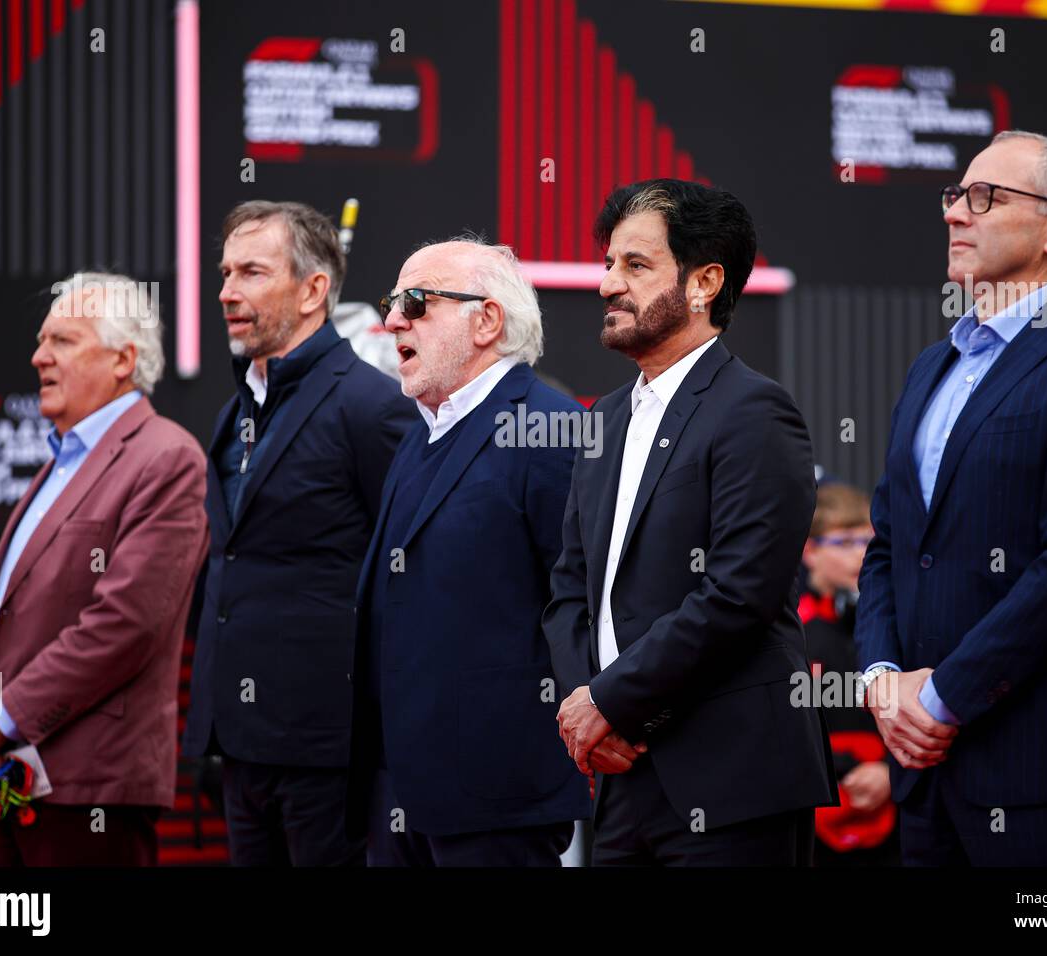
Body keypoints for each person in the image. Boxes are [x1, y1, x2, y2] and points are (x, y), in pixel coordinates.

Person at [854, 131, 1047, 866]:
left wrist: (939, 700)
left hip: (1043, 773)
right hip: (924, 775)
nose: (956, 213)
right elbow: (891, 546)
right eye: (955, 195)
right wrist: (882, 682)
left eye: (985, 197)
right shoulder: (933, 365)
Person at [544, 179, 837, 866]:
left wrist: (609, 699)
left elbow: (739, 593)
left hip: (733, 778)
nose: (607, 284)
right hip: (619, 776)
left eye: (635, 265)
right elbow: (567, 592)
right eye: (608, 264)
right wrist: (584, 706)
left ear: (705, 281)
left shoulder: (756, 413)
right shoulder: (604, 420)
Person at [0, 272, 208, 866]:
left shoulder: (165, 457)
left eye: (62, 341)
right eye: (42, 340)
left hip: (89, 793)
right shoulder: (58, 463)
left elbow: (125, 624)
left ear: (123, 359)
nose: (38, 356)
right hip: (3, 782)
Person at [181, 201, 415, 866]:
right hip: (239, 746)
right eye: (225, 272)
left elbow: (407, 570)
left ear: (315, 289)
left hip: (329, 749)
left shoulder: (371, 406)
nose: (227, 290)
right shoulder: (235, 410)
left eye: (252, 272)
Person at [349, 238, 590, 866]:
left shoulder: (549, 429)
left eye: (417, 302)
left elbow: (582, 604)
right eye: (393, 302)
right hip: (400, 794)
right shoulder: (419, 436)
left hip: (499, 797)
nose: (394, 319)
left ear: (486, 321)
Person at [799, 481, 898, 866]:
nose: (860, 554)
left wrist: (889, 772)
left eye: (866, 541)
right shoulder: (791, 632)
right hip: (816, 815)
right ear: (810, 551)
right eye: (844, 542)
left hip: (892, 812)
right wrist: (846, 771)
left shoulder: (887, 628)